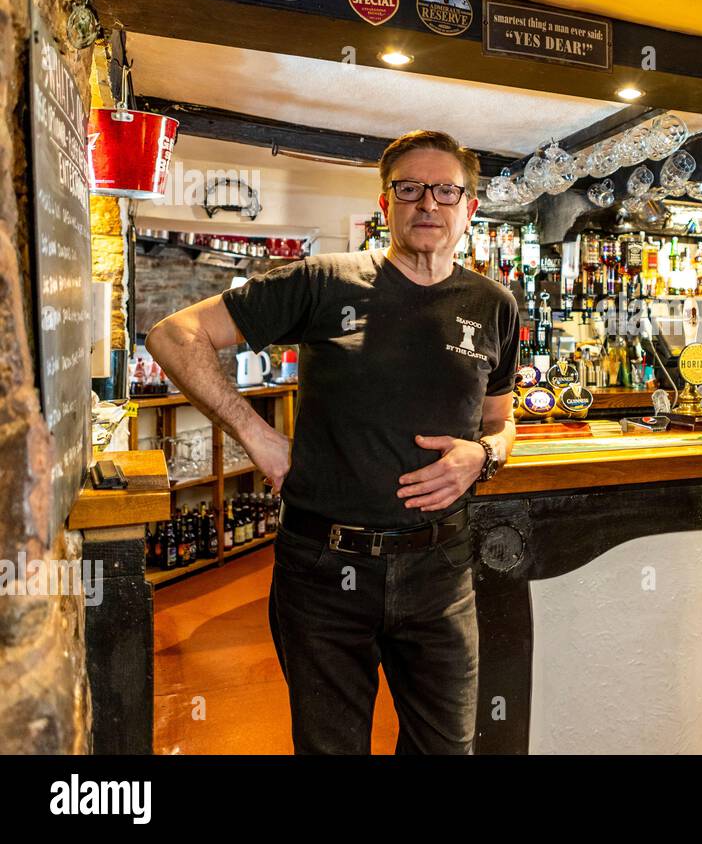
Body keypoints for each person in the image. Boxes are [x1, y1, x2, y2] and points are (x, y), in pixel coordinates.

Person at [146, 130, 518, 754]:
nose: (429, 203)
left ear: (469, 208)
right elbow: (173, 334)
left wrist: (483, 455)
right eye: (410, 189)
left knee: (447, 749)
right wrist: (257, 435)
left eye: (446, 190)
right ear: (385, 203)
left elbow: (501, 423)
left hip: (441, 570)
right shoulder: (322, 281)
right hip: (323, 569)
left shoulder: (494, 304)